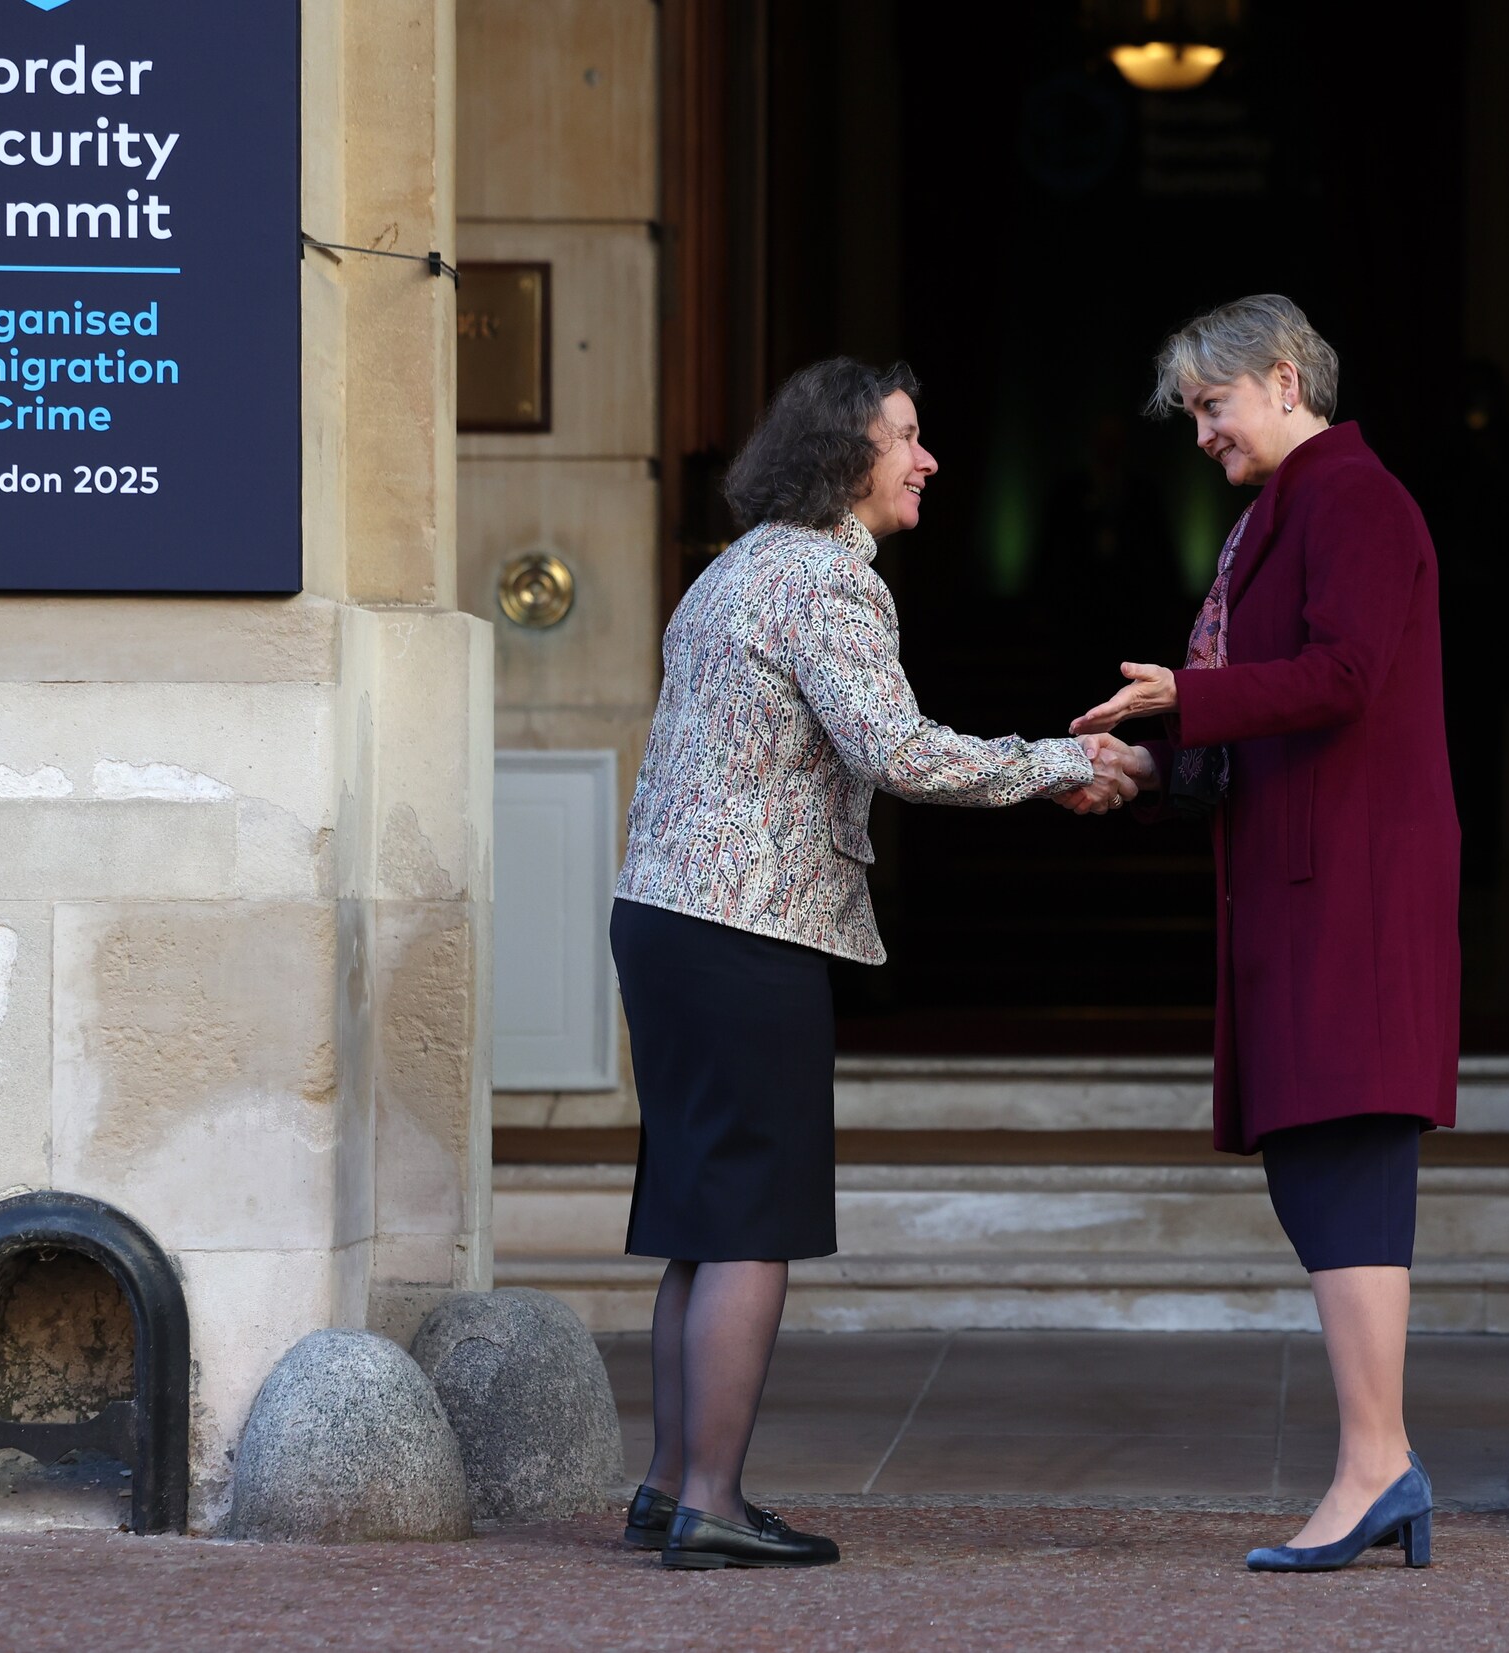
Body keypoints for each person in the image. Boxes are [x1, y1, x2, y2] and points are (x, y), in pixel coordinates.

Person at [611, 357, 1138, 1570]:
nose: (927, 459)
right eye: (906, 437)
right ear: (844, 455)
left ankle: (669, 1485)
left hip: (666, 919)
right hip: (747, 928)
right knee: (750, 1217)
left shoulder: (733, 567)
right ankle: (711, 1502)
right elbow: (896, 751)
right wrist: (1060, 764)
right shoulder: (824, 576)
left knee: (700, 1213)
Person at [1074, 295, 1461, 1572]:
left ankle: (1376, 1467)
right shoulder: (1289, 510)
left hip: (1349, 892)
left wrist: (1187, 699)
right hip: (1308, 886)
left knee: (1344, 1159)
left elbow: (1345, 676)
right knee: (1316, 1162)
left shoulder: (1354, 500)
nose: (1200, 433)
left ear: (1284, 381)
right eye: (1193, 412)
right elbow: (1279, 705)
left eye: (1212, 405)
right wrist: (1158, 755)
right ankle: (1377, 1464)